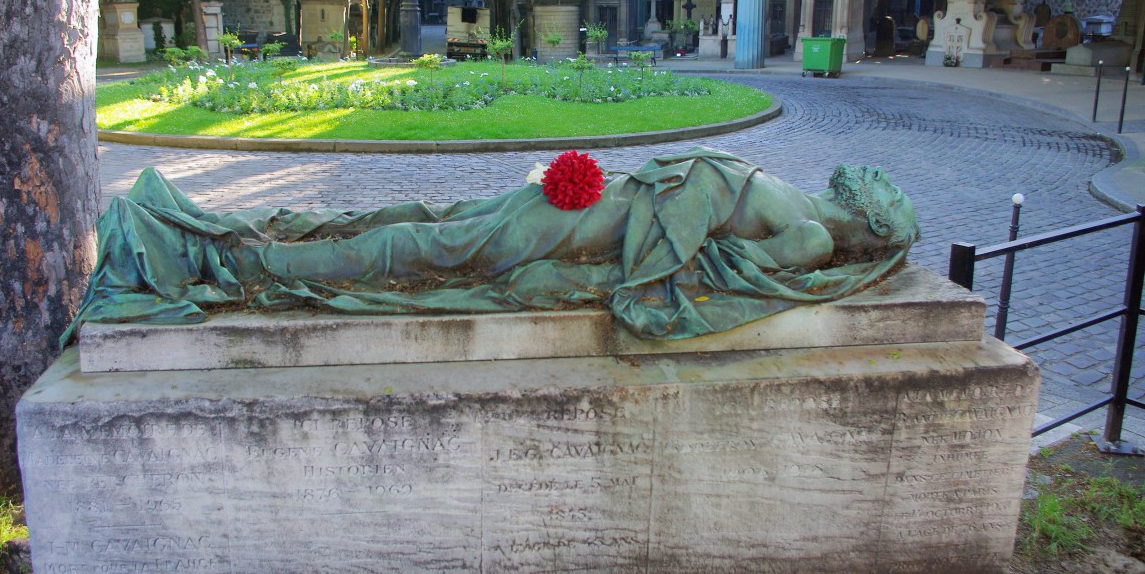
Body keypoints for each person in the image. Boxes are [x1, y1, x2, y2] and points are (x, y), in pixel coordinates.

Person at [65, 148, 918, 342]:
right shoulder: (801, 204)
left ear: (874, 227)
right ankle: (250, 249)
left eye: (881, 196)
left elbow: (707, 266)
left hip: (593, 218)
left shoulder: (810, 227)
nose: (872, 183)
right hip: (590, 207)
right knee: (431, 235)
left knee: (428, 245)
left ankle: (251, 257)